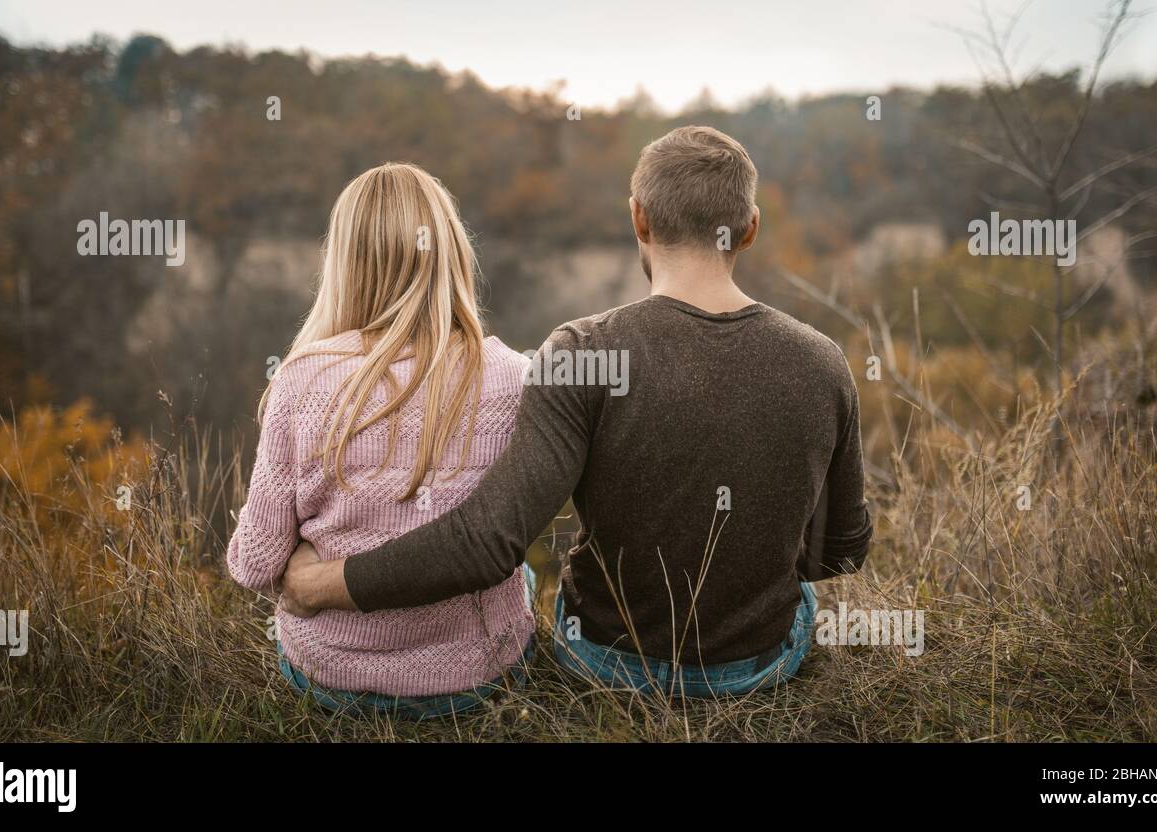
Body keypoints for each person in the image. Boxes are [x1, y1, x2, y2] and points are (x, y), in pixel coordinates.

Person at [280, 126, 873, 697]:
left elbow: (489, 542)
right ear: (749, 229)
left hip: (606, 660)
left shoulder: (583, 355)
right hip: (757, 664)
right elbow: (840, 552)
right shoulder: (822, 362)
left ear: (638, 216)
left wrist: (319, 583)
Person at [226, 163, 534, 718]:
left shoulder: (304, 379)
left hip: (331, 673)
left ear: (343, 262)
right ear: (451, 252)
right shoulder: (513, 376)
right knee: (526, 575)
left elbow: (254, 563)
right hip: (475, 675)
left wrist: (310, 550)